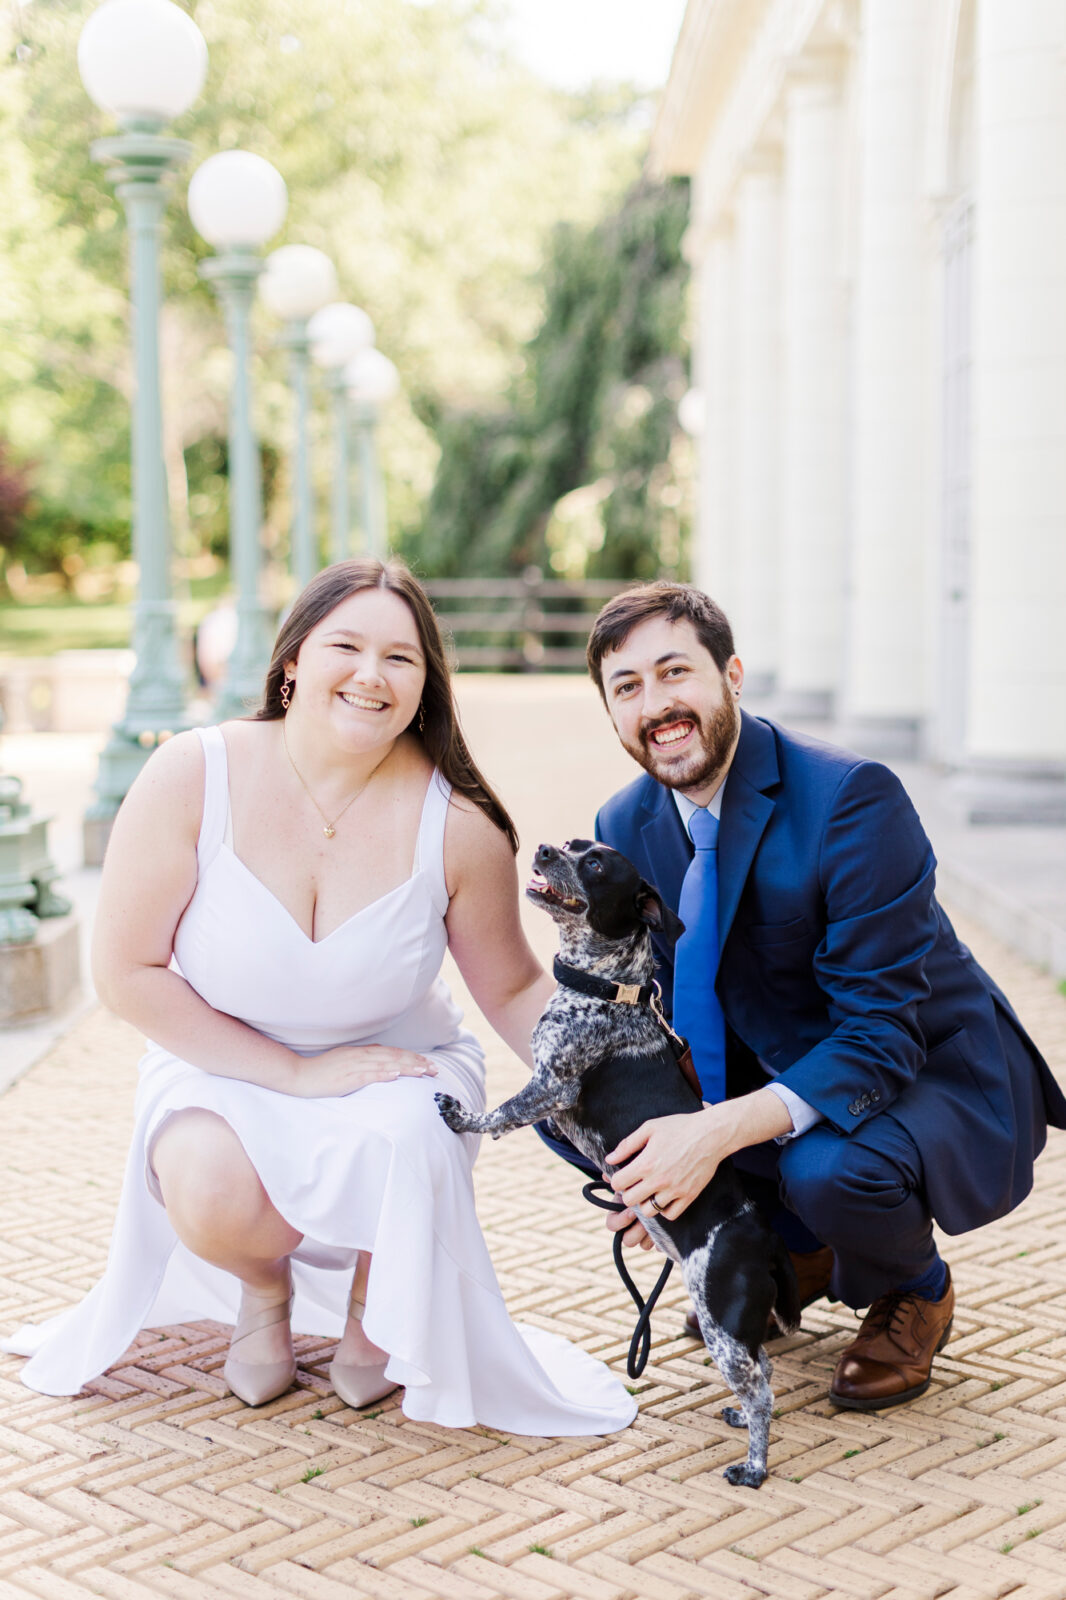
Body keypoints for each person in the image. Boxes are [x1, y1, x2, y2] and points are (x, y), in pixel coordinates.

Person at [2, 559, 635, 1436]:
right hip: (223, 1062)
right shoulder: (193, 774)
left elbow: (519, 989)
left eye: (400, 659)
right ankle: (264, 1289)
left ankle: (379, 1297)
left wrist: (630, 1119)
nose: (371, 676)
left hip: (395, 1065)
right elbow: (127, 974)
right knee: (206, 1179)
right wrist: (294, 1077)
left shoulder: (457, 825)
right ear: (293, 659)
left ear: (425, 687)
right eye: (347, 646)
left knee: (419, 1125)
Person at [538, 580, 1066, 1411]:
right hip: (769, 1055)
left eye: (676, 672)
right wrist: (655, 1173)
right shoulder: (627, 820)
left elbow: (883, 1034)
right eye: (628, 687)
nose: (657, 704)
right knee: (571, 1109)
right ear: (610, 713)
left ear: (733, 675)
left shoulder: (852, 798)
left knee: (830, 1170)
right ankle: (793, 1246)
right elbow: (665, 1009)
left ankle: (912, 1290)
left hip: (921, 1065)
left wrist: (711, 1135)